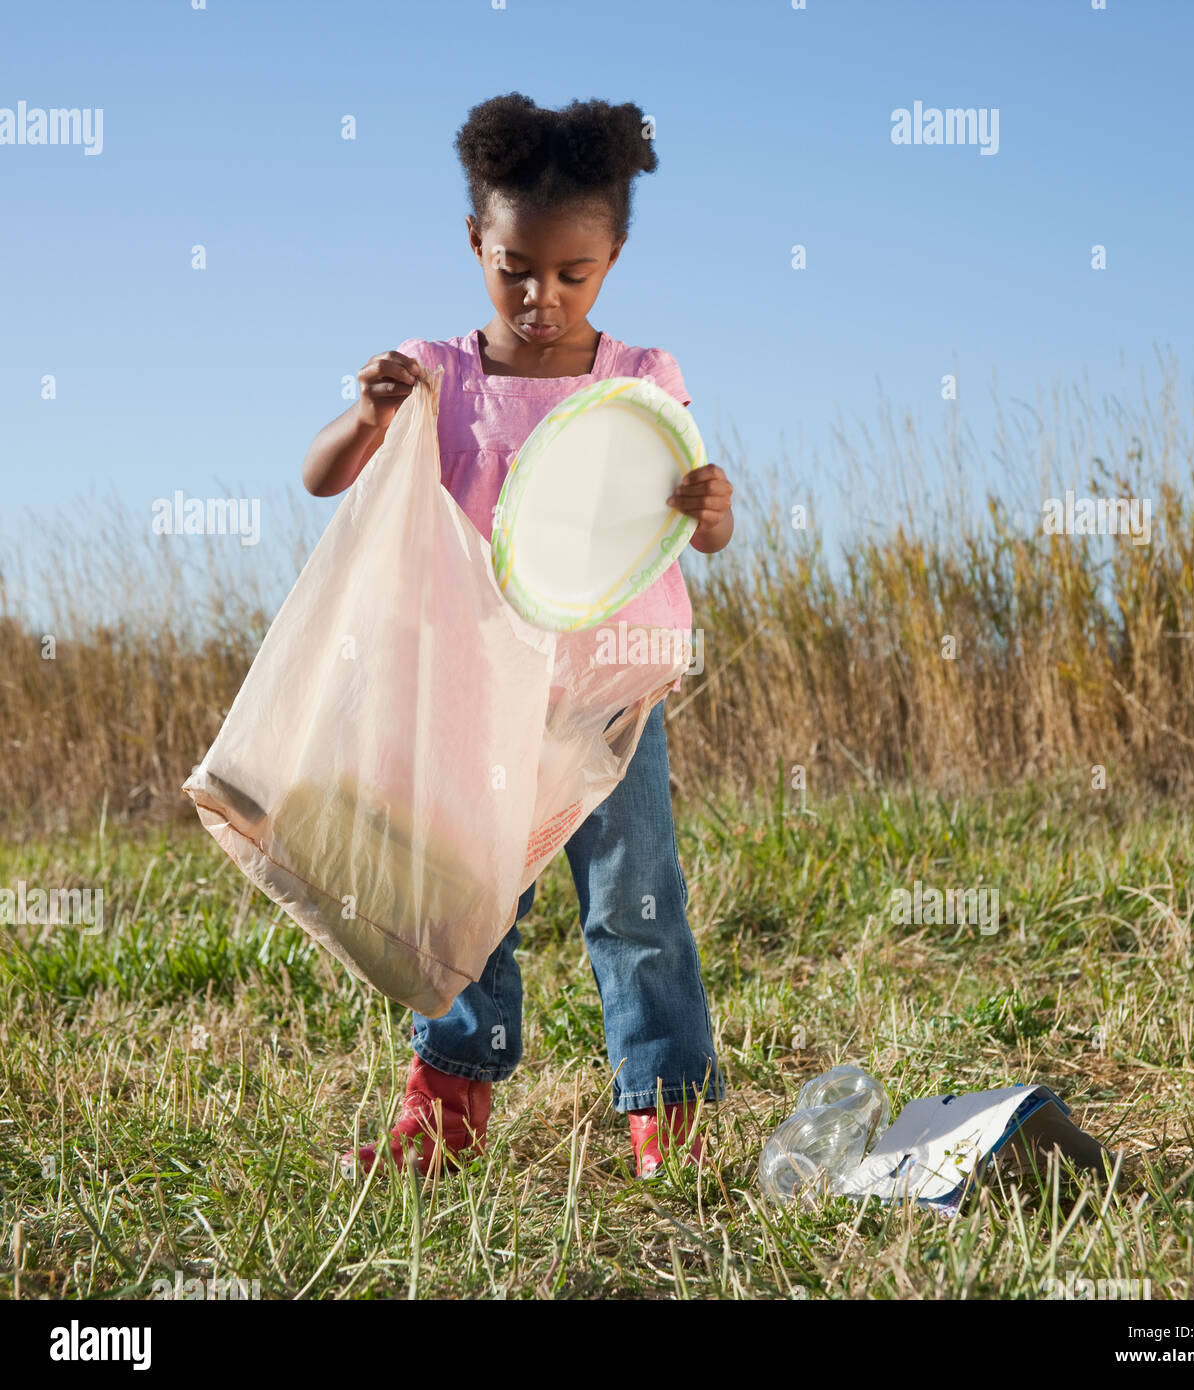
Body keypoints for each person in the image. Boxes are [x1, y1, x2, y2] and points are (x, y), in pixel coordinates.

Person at [300, 93, 735, 1179]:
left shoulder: (640, 383)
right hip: (473, 697)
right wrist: (367, 413)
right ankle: (445, 1114)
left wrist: (714, 512)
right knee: (468, 908)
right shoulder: (435, 374)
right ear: (474, 245)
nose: (542, 297)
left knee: (636, 907)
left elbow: (690, 526)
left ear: (614, 257)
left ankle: (663, 1118)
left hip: (607, 698)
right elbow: (320, 477)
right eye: (515, 268)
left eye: (571, 274)